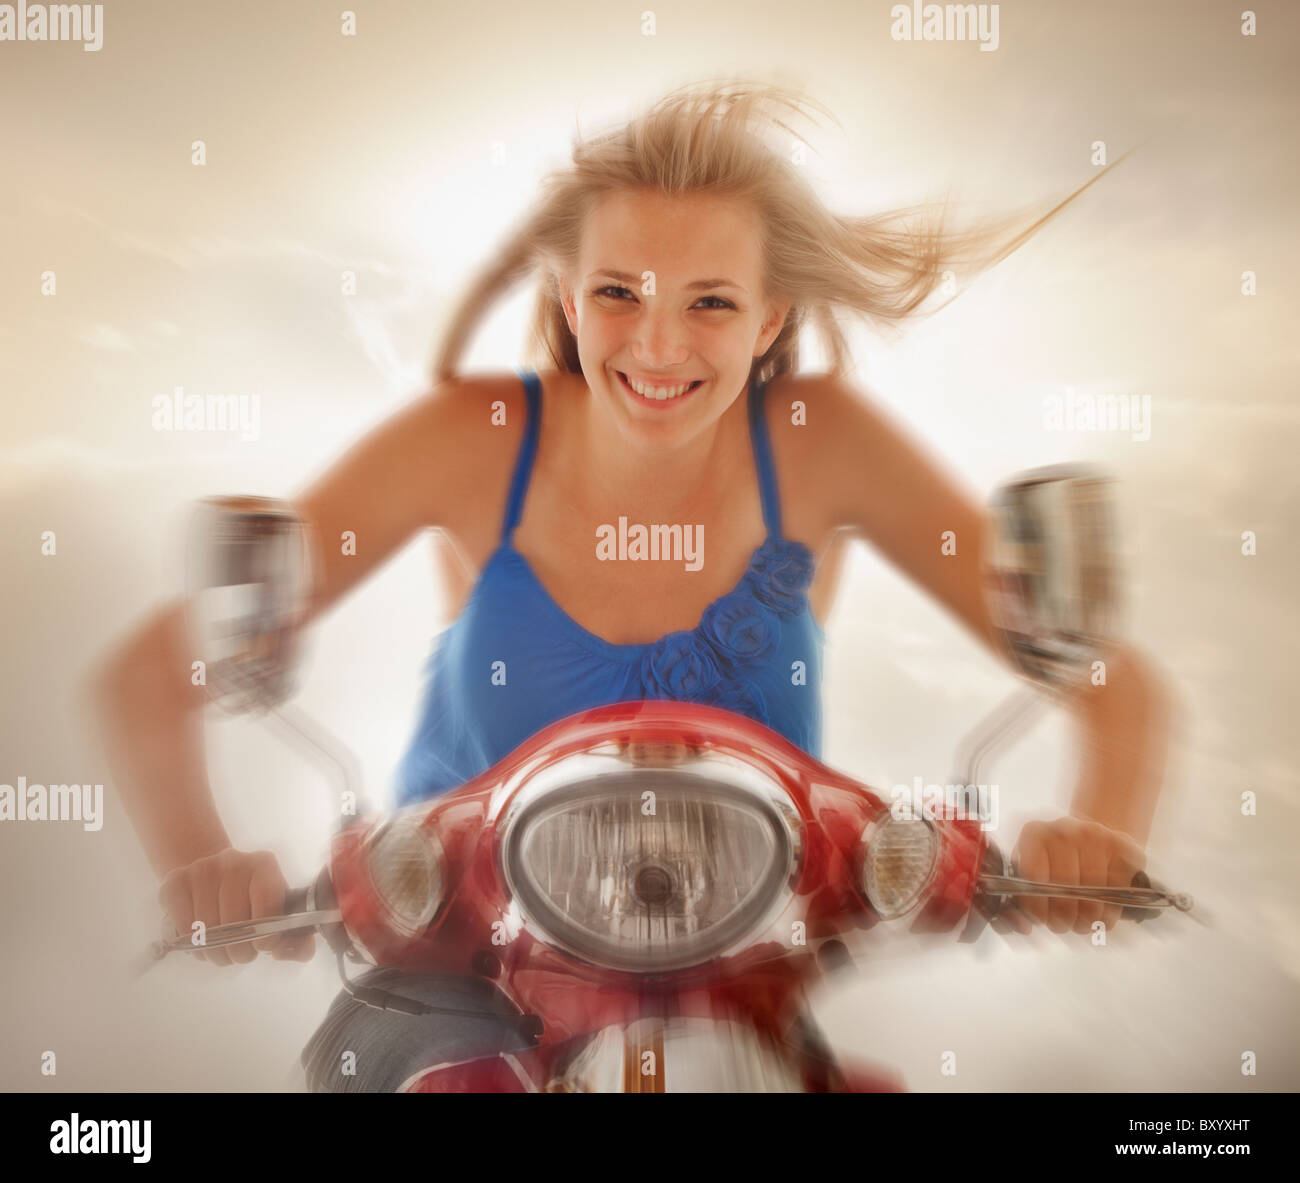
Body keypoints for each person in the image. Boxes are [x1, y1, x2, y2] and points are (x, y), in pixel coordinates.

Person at [89, 80, 1170, 1091]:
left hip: (751, 977)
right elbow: (153, 669)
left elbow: (1108, 674)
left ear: (772, 317)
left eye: (710, 302)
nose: (658, 342)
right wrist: (206, 865)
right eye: (618, 291)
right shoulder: (470, 440)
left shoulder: (822, 443)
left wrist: (1097, 835)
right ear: (565, 292)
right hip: (460, 970)